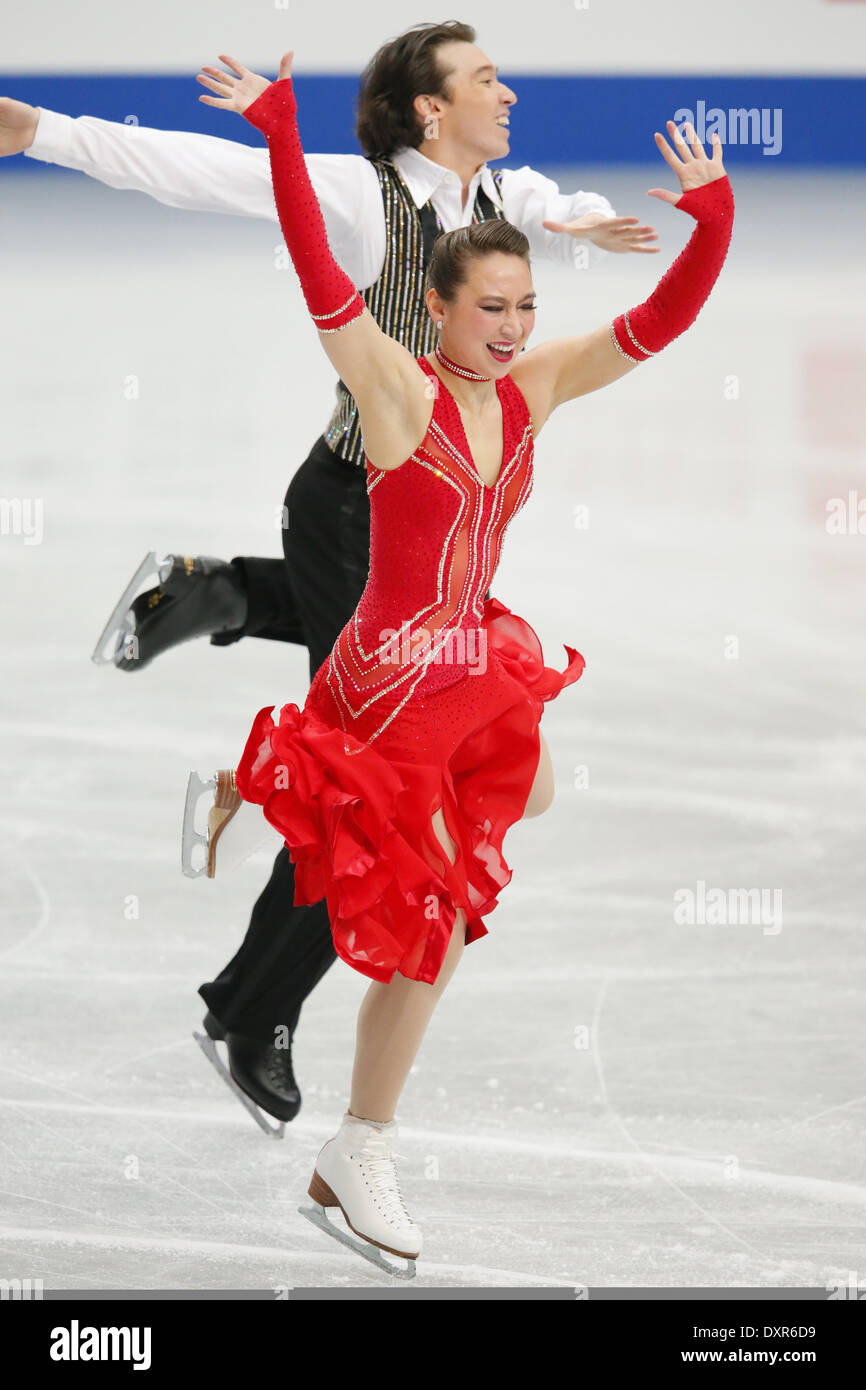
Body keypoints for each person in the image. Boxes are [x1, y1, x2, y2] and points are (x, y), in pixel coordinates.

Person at [1, 23, 659, 1131]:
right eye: (482, 77)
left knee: (380, 762)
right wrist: (36, 130)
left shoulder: (486, 186)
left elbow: (535, 190)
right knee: (380, 795)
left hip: (399, 524)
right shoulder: (363, 198)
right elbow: (212, 174)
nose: (506, 88)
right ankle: (248, 1008)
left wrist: (575, 212)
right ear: (425, 111)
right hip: (356, 513)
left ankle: (213, 594)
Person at [191, 48, 733, 1274]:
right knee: (433, 917)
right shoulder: (392, 391)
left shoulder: (534, 386)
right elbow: (317, 271)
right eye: (487, 309)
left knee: (528, 787)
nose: (509, 330)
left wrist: (715, 220)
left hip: (466, 658)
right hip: (388, 683)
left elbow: (660, 322)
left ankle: (258, 787)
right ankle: (358, 1155)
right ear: (435, 309)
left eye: (524, 308)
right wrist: (281, 136)